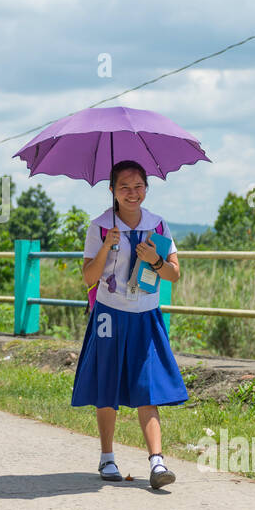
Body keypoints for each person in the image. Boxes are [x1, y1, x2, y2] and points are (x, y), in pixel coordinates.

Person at [70, 159, 188, 489]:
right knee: (107, 384)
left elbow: (174, 275)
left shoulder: (158, 225)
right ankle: (107, 457)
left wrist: (155, 260)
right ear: (112, 191)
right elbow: (88, 279)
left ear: (146, 189)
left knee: (146, 385)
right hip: (109, 314)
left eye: (138, 186)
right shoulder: (100, 226)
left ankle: (157, 462)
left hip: (146, 314)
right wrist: (108, 244)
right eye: (124, 186)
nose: (132, 193)